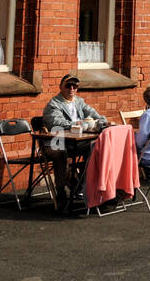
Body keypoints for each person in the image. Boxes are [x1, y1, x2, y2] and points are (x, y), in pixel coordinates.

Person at [41, 73, 108, 210]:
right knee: (60, 153)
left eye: (75, 86)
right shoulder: (53, 104)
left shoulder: (79, 101)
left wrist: (102, 120)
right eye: (68, 85)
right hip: (55, 140)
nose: (72, 89)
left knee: (96, 147)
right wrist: (79, 124)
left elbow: (94, 114)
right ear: (61, 87)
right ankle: (61, 193)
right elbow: (56, 123)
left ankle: (84, 185)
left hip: (75, 141)